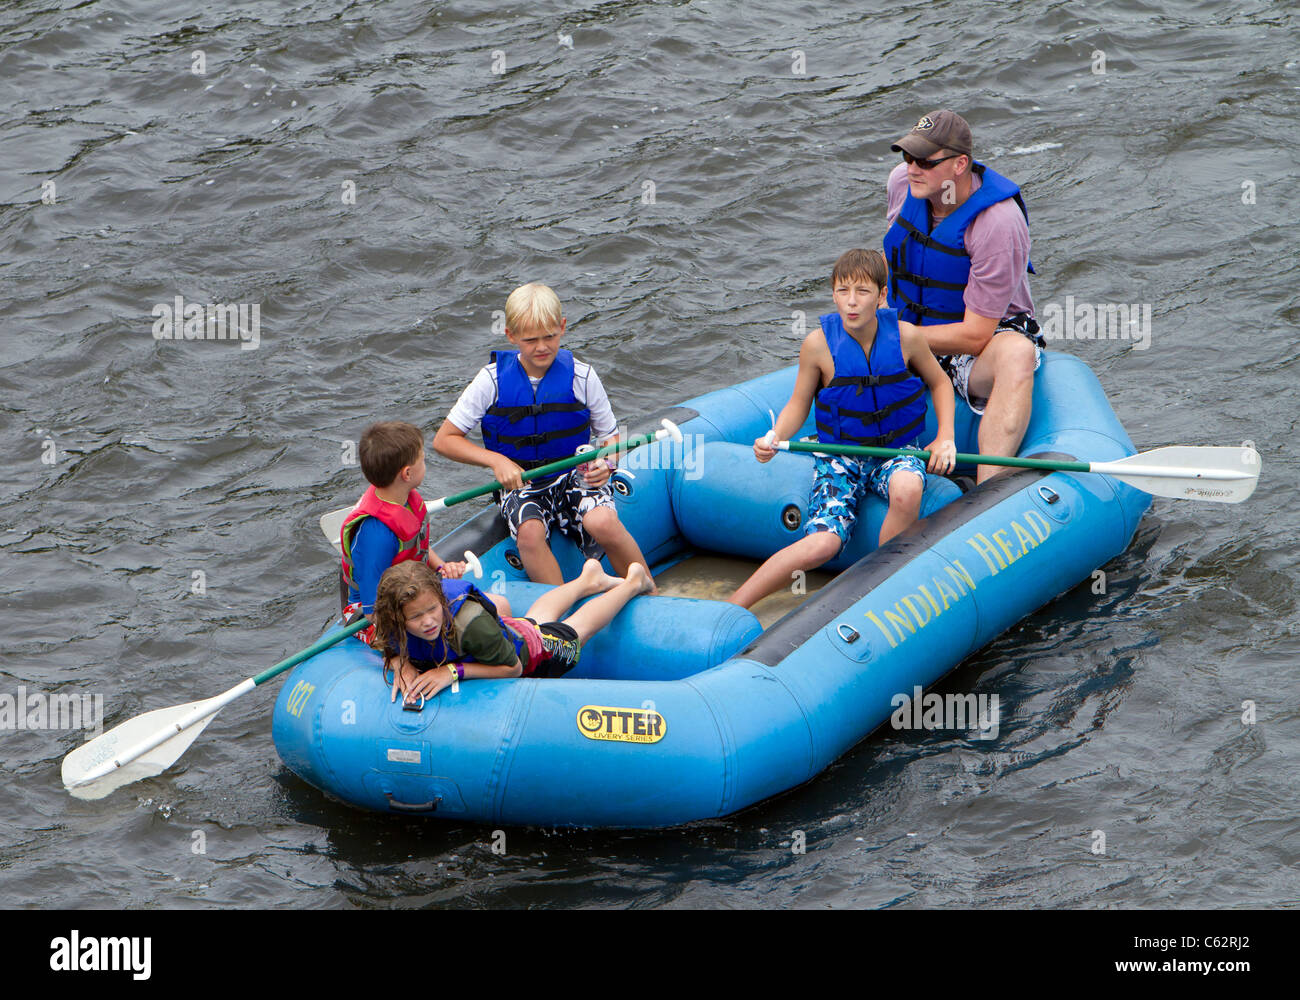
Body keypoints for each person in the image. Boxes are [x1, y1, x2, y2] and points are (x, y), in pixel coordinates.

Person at [727, 249, 956, 610]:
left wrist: (945, 438)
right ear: (833, 293)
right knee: (824, 544)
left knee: (908, 489)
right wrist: (774, 437)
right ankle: (735, 603)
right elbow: (799, 403)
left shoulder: (907, 338)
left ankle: (878, 588)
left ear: (882, 296)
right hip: (840, 455)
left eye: (862, 292)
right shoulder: (818, 346)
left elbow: (941, 384)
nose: (851, 302)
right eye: (842, 291)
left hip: (895, 450)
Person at [433, 282, 655, 589]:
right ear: (511, 336)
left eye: (550, 336)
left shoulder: (583, 376)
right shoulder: (490, 382)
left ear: (562, 328)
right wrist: (496, 461)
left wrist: (608, 462)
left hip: (576, 474)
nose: (542, 347)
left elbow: (611, 437)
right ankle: (563, 611)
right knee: (530, 534)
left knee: (602, 521)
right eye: (531, 339)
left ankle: (647, 589)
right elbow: (444, 439)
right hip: (523, 483)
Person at [882, 109, 1043, 483]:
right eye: (907, 157)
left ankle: (989, 493)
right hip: (910, 329)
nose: (912, 168)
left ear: (960, 165)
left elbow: (975, 335)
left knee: (1018, 354)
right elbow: (899, 257)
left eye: (924, 161)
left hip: (980, 342)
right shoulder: (901, 184)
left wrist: (893, 337)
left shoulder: (997, 223)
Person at [372, 557, 654, 704]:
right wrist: (400, 663)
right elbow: (386, 646)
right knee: (534, 623)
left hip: (531, 655)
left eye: (432, 609)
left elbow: (513, 669)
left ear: (440, 597)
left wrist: (451, 672)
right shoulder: (393, 622)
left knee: (574, 631)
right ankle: (587, 580)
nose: (427, 622)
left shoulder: (469, 623)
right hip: (506, 632)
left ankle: (632, 583)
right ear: (397, 618)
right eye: (415, 617)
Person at [338, 421, 509, 641]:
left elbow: (417, 545)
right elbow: (373, 612)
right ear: (407, 473)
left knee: (499, 607)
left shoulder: (404, 499)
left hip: (413, 592)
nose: (425, 463)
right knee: (495, 611)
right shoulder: (377, 534)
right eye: (422, 459)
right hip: (386, 616)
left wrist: (441, 567)